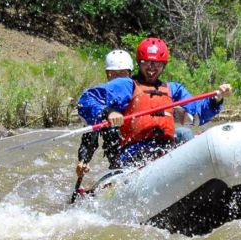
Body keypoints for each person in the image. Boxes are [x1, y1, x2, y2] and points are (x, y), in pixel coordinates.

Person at [77, 37, 232, 169]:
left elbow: (198, 111)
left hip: (165, 150)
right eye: (146, 63)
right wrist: (109, 112)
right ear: (139, 63)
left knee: (184, 134)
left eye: (157, 64)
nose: (151, 68)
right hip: (134, 154)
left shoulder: (174, 89)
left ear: (164, 65)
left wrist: (216, 99)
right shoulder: (126, 85)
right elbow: (87, 99)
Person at [75, 49, 135, 177]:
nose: (118, 78)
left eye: (122, 74)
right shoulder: (100, 101)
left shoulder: (140, 92)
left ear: (130, 74)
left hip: (142, 148)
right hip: (120, 160)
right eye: (114, 74)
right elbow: (89, 136)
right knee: (111, 130)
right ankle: (117, 169)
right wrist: (83, 159)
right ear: (108, 75)